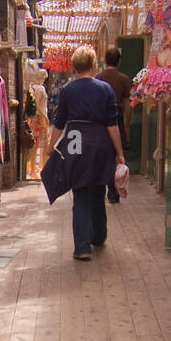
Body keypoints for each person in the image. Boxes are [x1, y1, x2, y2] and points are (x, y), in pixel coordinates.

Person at [47, 44, 125, 260]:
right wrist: (119, 153)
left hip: (75, 142)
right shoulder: (105, 89)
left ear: (74, 67)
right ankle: (98, 236)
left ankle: (82, 247)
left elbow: (59, 122)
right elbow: (113, 125)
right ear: (93, 65)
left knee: (80, 191)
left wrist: (50, 146)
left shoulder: (67, 91)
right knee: (98, 189)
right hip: (100, 143)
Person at [99, 47, 133, 203]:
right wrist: (127, 123)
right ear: (119, 61)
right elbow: (128, 105)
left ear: (105, 61)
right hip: (117, 117)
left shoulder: (98, 78)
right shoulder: (124, 79)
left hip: (100, 119)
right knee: (116, 155)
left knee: (102, 154)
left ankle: (101, 187)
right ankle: (113, 192)